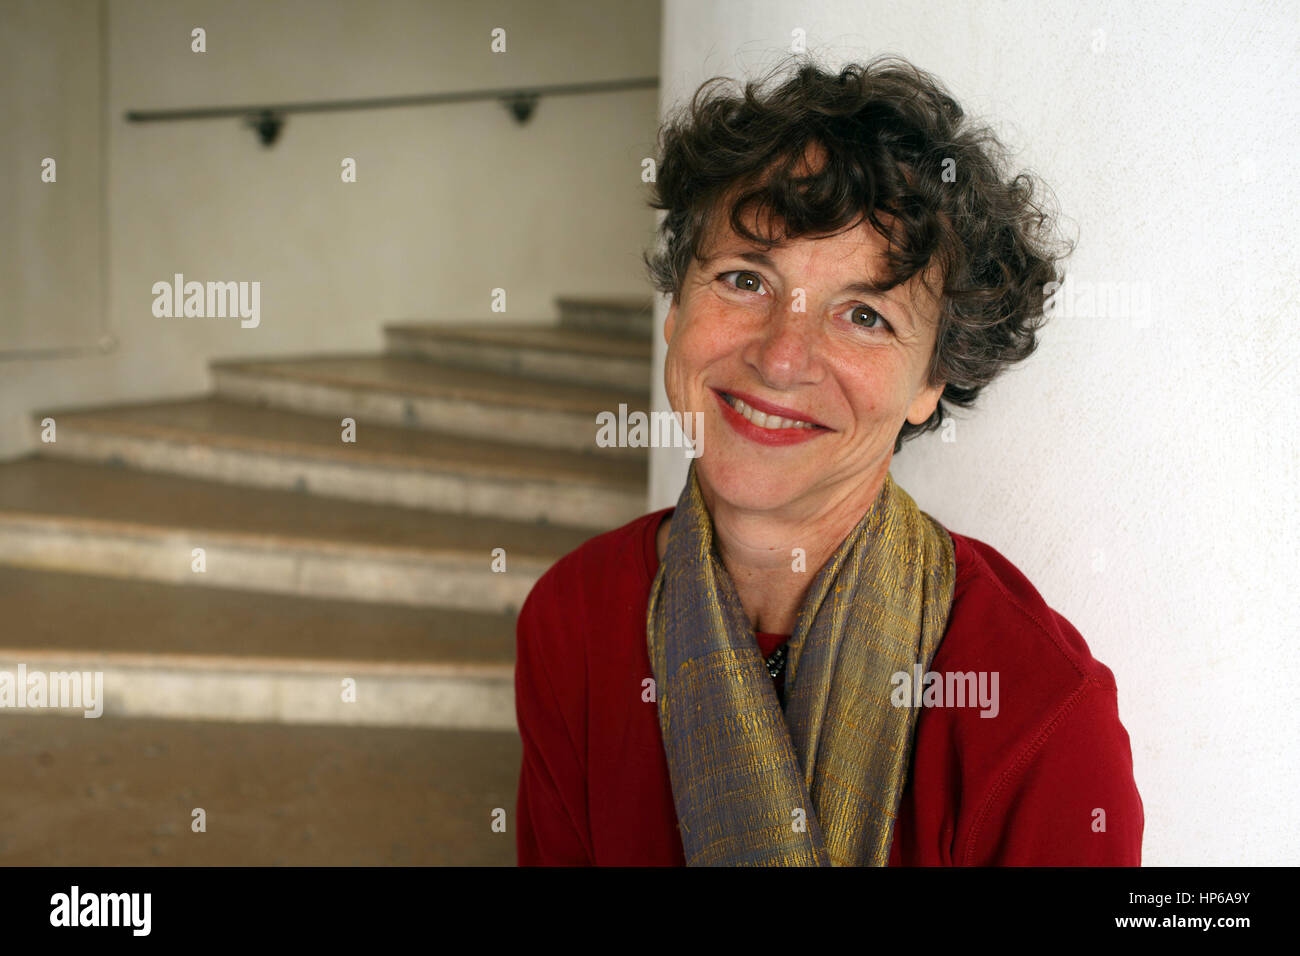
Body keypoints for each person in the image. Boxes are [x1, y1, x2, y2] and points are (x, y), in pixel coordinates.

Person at [515, 55, 1143, 866]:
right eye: (746, 279)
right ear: (675, 310)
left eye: (865, 316)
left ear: (933, 380)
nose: (782, 358)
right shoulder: (574, 617)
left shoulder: (1036, 708)